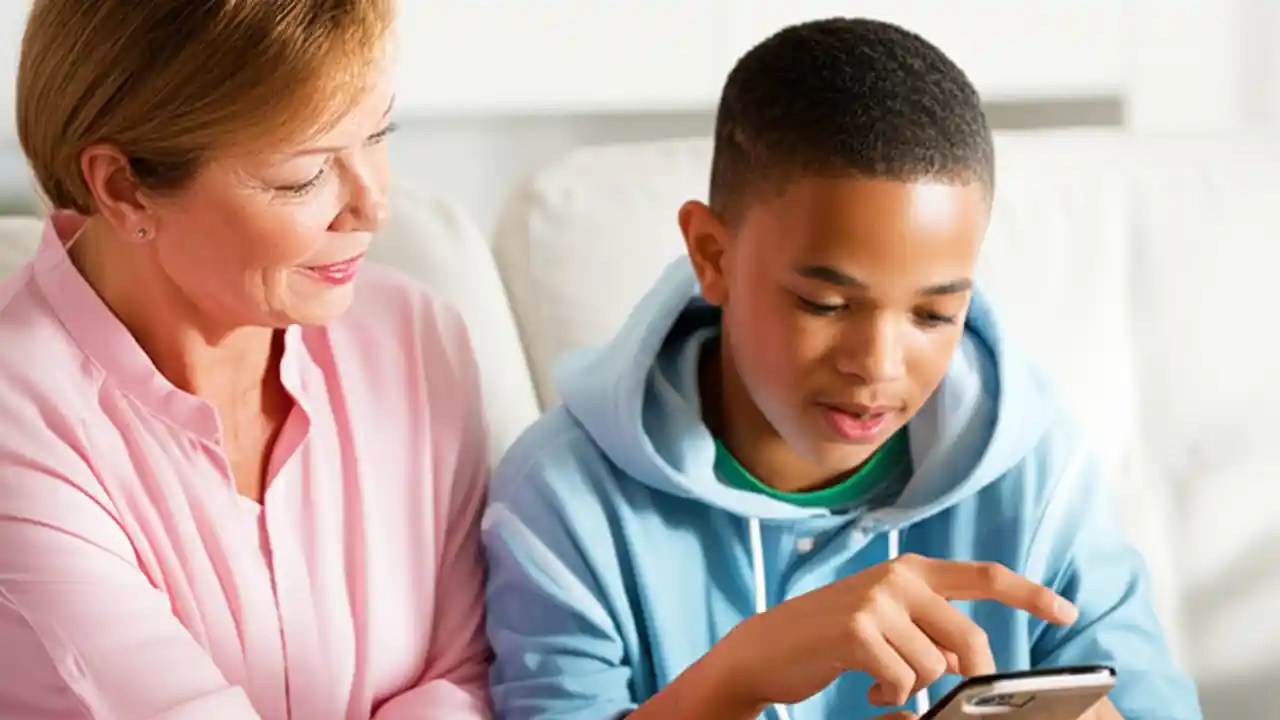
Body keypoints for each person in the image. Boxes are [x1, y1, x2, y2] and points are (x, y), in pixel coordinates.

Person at [483, 17, 1201, 720]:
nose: (878, 366)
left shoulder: (1040, 480)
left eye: (932, 316)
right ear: (712, 255)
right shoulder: (561, 503)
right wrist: (736, 676)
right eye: (825, 304)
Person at [0, 2, 491, 718]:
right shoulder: (21, 423)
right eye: (303, 173)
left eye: (378, 133)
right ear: (123, 186)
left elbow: (467, 675)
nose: (372, 205)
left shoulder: (413, 340)